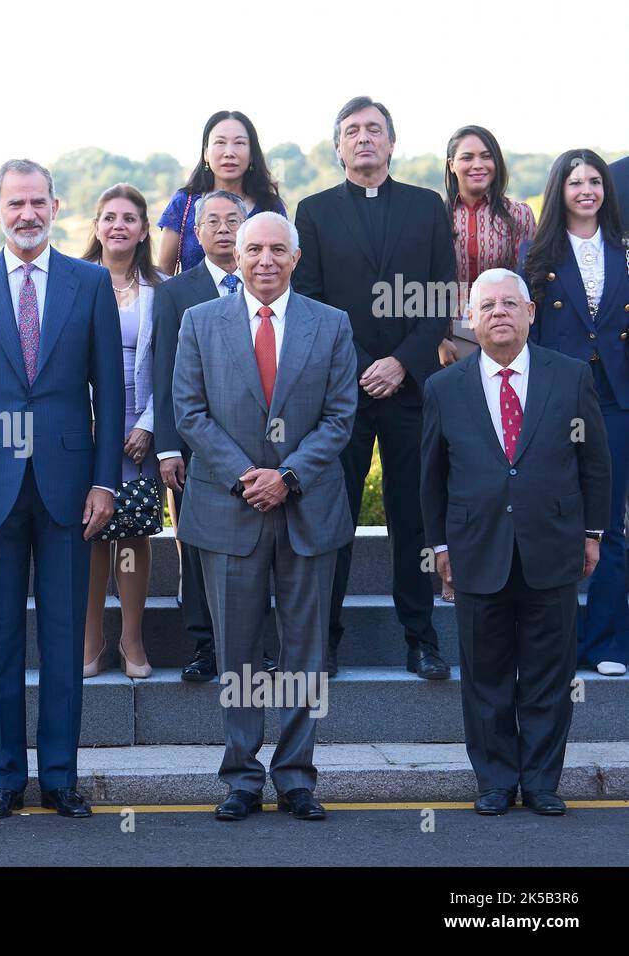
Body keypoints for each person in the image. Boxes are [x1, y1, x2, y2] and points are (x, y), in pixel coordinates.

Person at [0, 159, 124, 820]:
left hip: (72, 489)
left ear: (55, 207)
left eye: (38, 202)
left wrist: (106, 480)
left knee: (68, 637)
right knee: (1, 639)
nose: (27, 214)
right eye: (15, 203)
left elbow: (110, 392)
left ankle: (62, 778)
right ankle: (6, 776)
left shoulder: (92, 283)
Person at [173, 212, 357, 822]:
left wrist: (288, 477)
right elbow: (190, 413)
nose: (266, 260)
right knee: (238, 654)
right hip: (229, 510)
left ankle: (297, 775)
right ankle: (242, 776)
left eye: (279, 249)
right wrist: (247, 477)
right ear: (237, 255)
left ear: (296, 258)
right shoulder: (200, 322)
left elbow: (339, 417)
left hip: (308, 509)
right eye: (254, 249)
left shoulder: (331, 325)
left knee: (306, 654)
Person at [421, 269, 611, 814]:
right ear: (471, 320)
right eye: (488, 305)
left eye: (511, 303)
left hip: (553, 546)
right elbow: (430, 479)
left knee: (550, 675)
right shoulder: (444, 387)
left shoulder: (570, 376)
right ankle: (496, 780)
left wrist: (593, 532)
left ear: (530, 313)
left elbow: (594, 463)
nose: (499, 312)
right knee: (485, 677)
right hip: (476, 549)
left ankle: (543, 782)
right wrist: (439, 547)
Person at [294, 96, 456, 679]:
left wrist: (401, 364)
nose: (364, 139)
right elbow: (309, 300)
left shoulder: (426, 207)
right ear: (338, 147)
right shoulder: (311, 212)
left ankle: (421, 637)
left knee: (415, 515)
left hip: (413, 390)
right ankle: (324, 642)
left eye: (374, 130)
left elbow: (443, 296)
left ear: (392, 143)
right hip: (341, 392)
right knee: (331, 515)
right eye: (352, 131)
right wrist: (365, 364)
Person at [153, 190, 273, 681]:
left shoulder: (269, 286)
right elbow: (162, 373)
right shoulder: (176, 293)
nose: (223, 229)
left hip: (264, 445)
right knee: (199, 544)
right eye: (212, 221)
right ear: (195, 234)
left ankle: (257, 646)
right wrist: (167, 447)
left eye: (233, 220)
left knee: (262, 546)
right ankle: (205, 645)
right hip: (196, 445)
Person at [521, 150, 629, 676]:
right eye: (574, 181)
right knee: (551, 518)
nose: (585, 189)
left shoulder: (625, 251)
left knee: (609, 524)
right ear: (558, 189)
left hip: (616, 399)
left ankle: (607, 643)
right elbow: (526, 335)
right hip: (556, 399)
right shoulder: (535, 254)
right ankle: (552, 644)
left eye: (594, 181)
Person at [79, 183, 163, 679]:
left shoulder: (161, 290)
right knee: (91, 530)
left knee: (132, 530)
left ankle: (132, 639)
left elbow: (173, 366)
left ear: (144, 228)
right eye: (109, 216)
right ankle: (92, 640)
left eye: (129, 217)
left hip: (142, 426)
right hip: (88, 423)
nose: (118, 225)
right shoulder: (74, 282)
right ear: (96, 226)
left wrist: (149, 424)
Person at [439, 126, 537, 367]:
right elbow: (421, 281)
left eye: (486, 156)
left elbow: (531, 282)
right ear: (452, 164)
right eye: (467, 157)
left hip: (505, 335)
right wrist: (437, 339)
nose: (478, 164)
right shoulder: (434, 216)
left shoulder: (519, 215)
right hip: (448, 343)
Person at [156, 110, 286, 276]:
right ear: (206, 153)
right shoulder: (184, 202)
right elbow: (164, 274)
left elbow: (283, 269)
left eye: (239, 143)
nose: (229, 152)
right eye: (220, 142)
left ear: (252, 154)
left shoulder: (269, 206)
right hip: (192, 302)